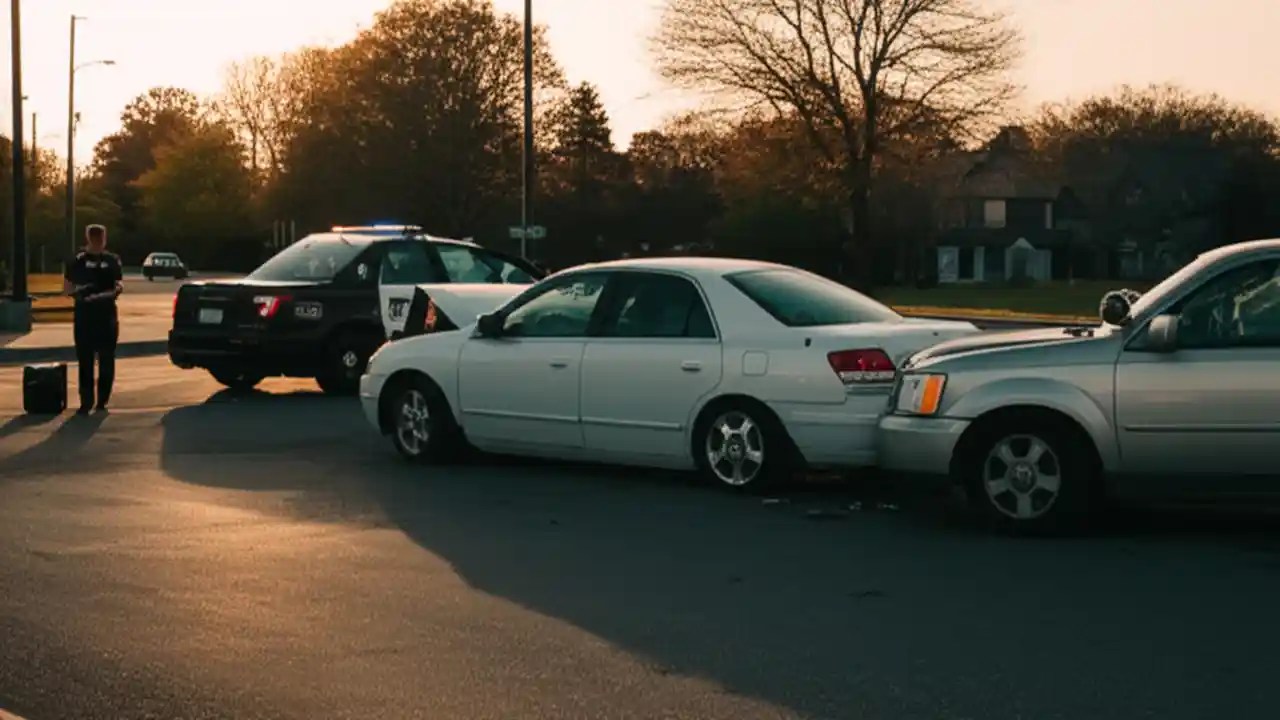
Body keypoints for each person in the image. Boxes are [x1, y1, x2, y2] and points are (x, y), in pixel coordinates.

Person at [63, 224, 124, 414]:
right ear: (88, 238)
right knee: (85, 360)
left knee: (107, 359)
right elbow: (67, 288)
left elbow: (118, 284)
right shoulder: (78, 261)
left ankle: (102, 401)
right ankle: (86, 401)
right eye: (95, 237)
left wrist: (111, 293)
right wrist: (80, 293)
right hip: (85, 316)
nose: (99, 241)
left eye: (101, 237)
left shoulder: (112, 260)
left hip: (106, 316)